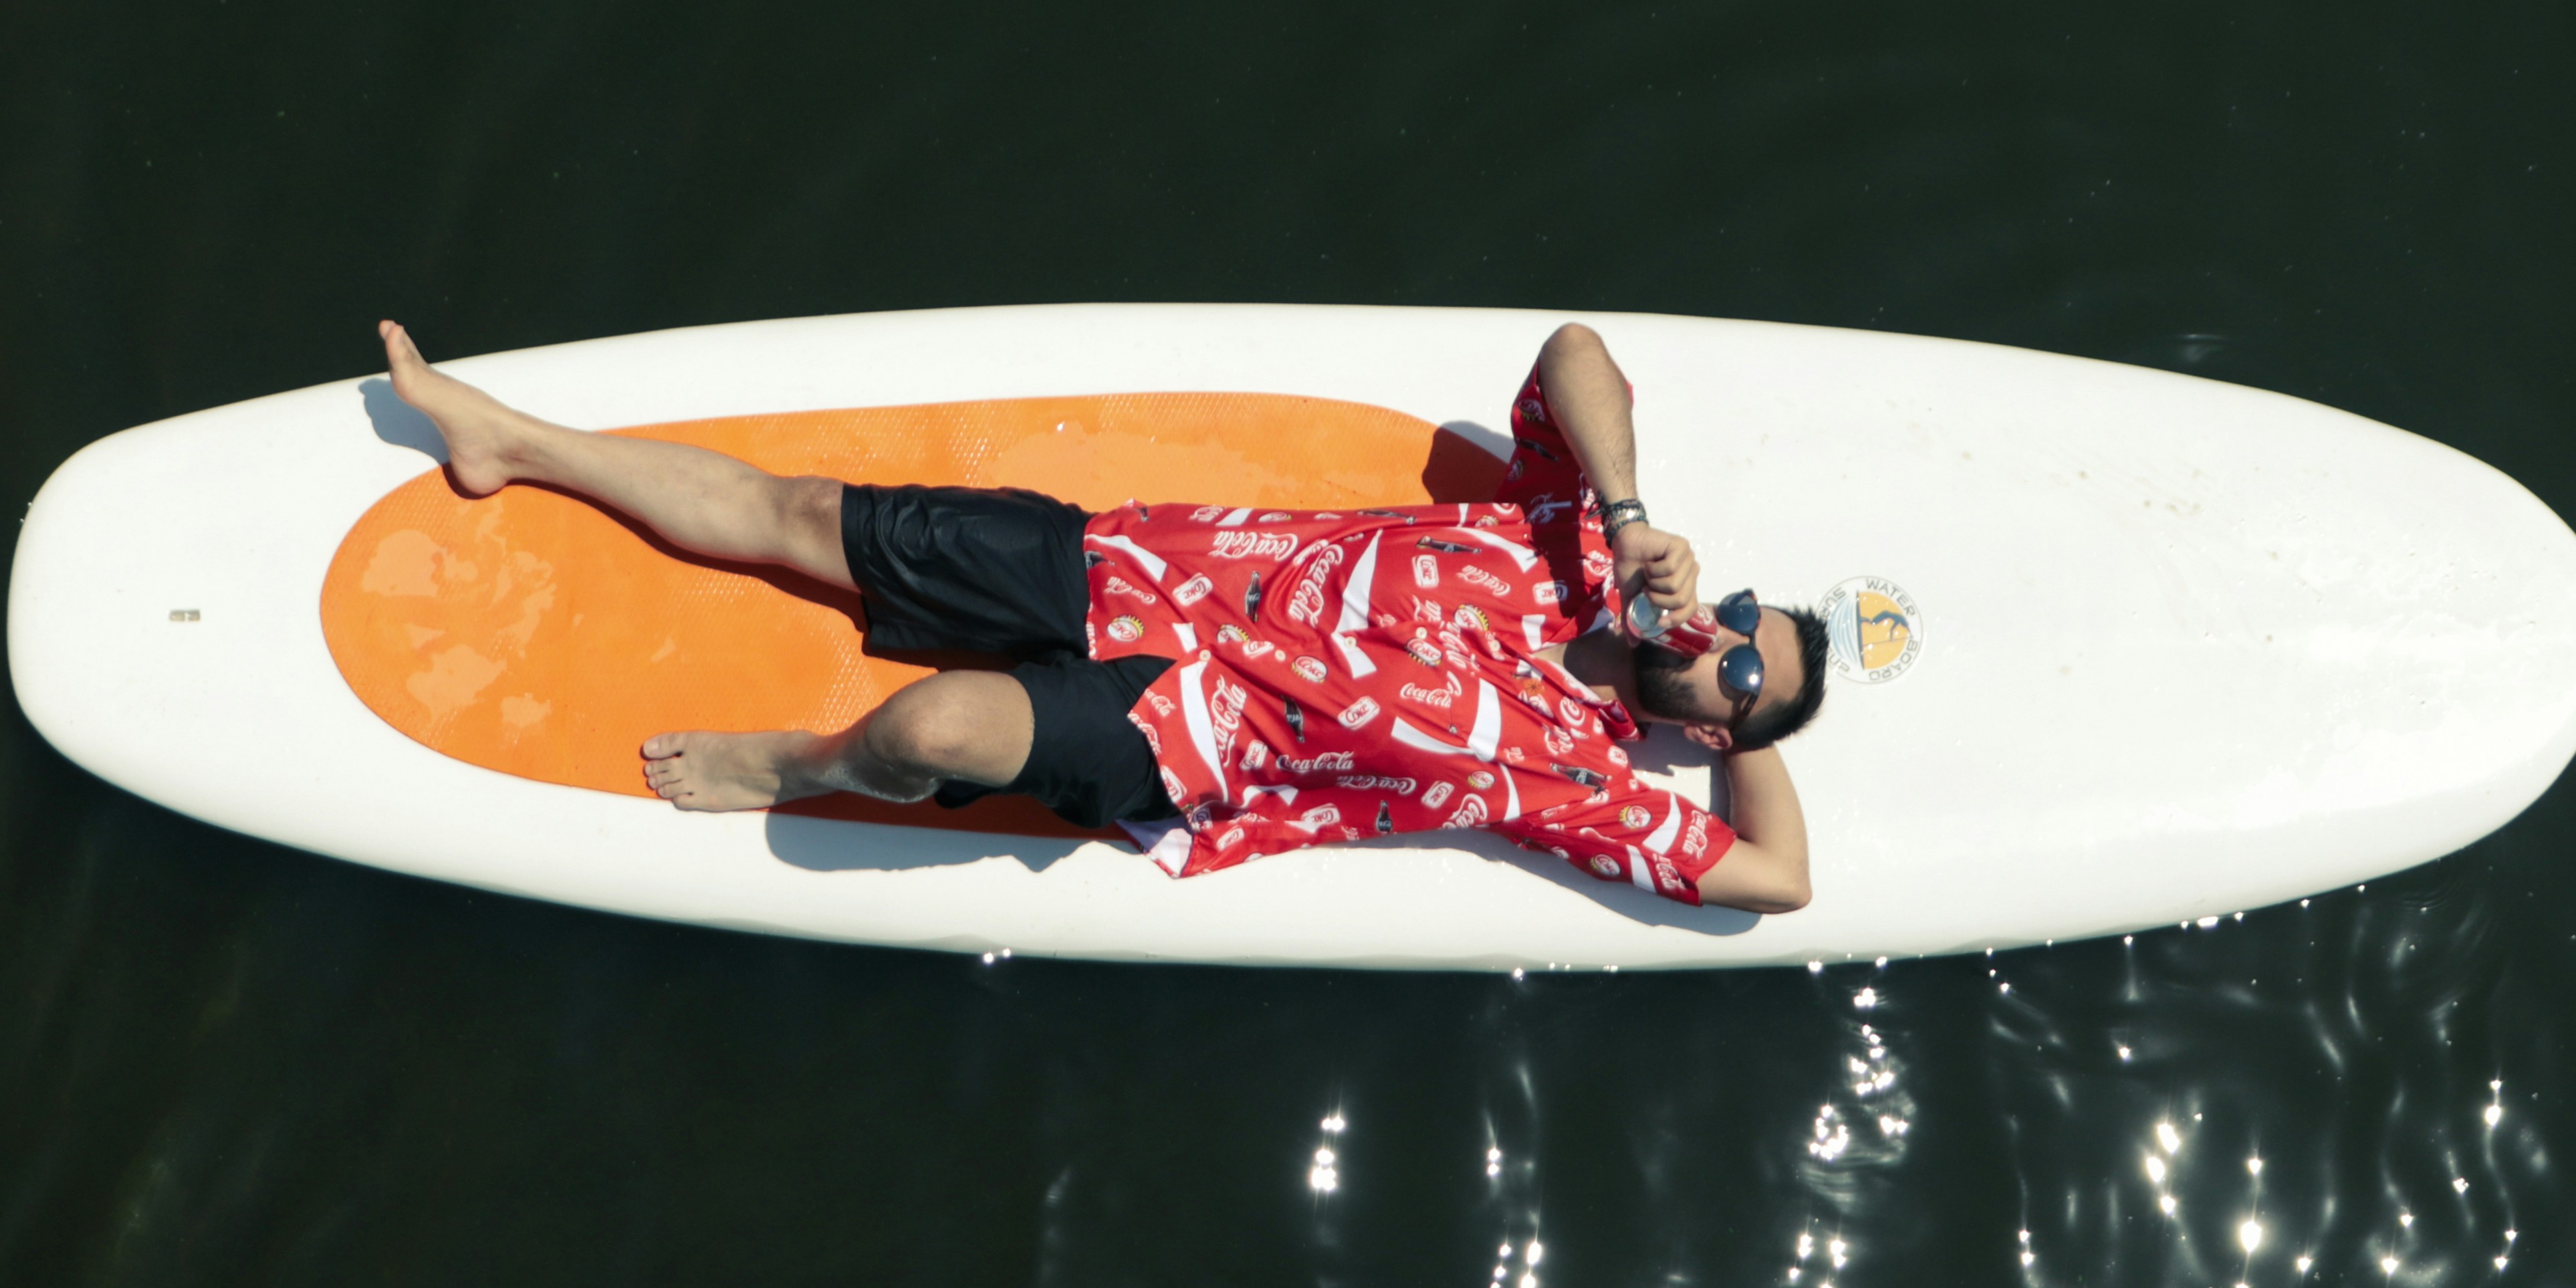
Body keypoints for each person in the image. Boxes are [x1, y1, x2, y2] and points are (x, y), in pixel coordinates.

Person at [376, 318, 1823, 914]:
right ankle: (518, 441)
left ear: (1711, 727)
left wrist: (1759, 723)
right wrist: (1636, 525)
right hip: (1129, 569)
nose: (1723, 637)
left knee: (930, 726)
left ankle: (790, 765)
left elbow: (1777, 878)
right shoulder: (1570, 538)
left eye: (1741, 670)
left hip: (1195, 731)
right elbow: (1576, 349)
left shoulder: (1583, 777)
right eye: (1744, 613)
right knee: (806, 515)